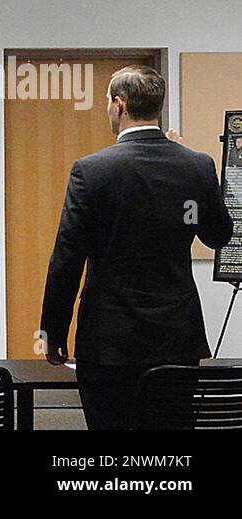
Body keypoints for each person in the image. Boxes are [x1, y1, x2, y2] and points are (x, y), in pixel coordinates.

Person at [40, 66, 233, 430]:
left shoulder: (91, 170)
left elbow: (67, 258)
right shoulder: (196, 165)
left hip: (108, 340)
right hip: (178, 337)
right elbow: (219, 236)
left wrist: (52, 331)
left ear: (119, 104)